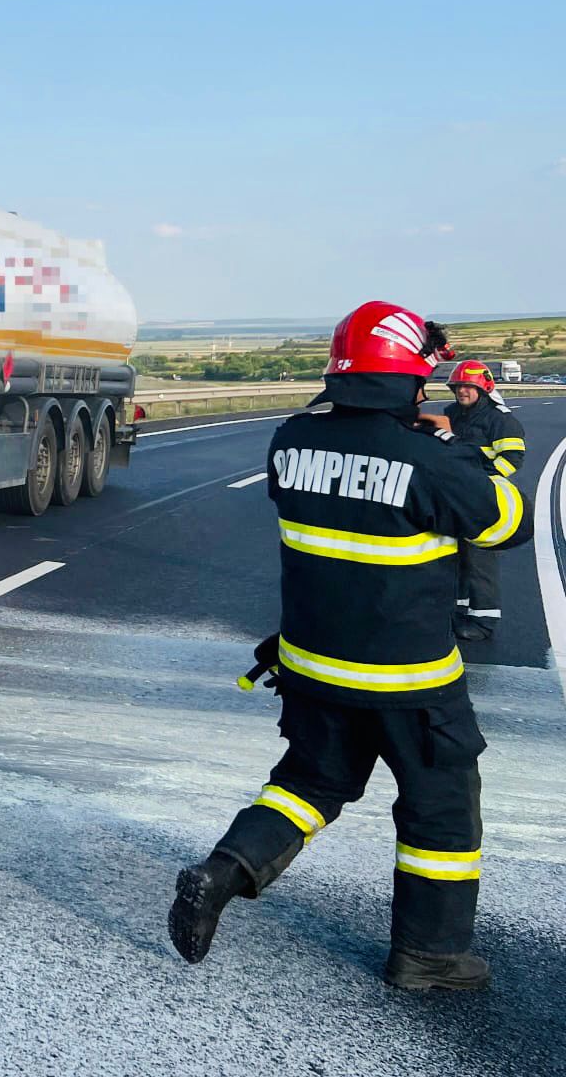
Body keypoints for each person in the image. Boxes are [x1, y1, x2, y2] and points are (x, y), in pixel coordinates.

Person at [170, 301, 531, 991]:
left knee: (311, 783)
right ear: (410, 382)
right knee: (441, 804)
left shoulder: (289, 441)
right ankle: (429, 956)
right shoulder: (432, 460)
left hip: (312, 665)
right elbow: (505, 524)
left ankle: (222, 872)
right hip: (409, 682)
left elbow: (340, 457)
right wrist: (453, 446)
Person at [441, 360, 524, 643]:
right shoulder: (451, 414)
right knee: (456, 557)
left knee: (479, 559)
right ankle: (460, 610)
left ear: (483, 387)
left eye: (468, 386)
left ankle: (484, 620)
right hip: (456, 494)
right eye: (458, 386)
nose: (462, 391)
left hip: (483, 497)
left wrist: (482, 482)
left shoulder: (501, 420)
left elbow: (513, 459)